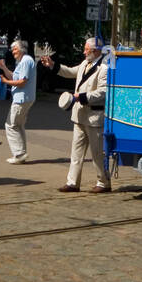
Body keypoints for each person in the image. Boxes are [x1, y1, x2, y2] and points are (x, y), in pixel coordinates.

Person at [40, 38, 110, 192]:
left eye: (86, 50)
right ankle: (72, 182)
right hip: (79, 115)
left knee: (97, 152)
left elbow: (103, 92)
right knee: (76, 152)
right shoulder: (85, 63)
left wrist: (81, 97)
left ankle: (103, 182)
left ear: (96, 51)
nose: (84, 52)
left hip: (94, 116)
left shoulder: (104, 68)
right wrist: (53, 65)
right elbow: (71, 72)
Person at [0, 38, 37, 163]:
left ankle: (19, 154)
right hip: (24, 98)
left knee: (11, 125)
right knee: (18, 125)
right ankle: (21, 154)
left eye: (15, 49)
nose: (12, 51)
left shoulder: (25, 61)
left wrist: (5, 82)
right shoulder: (22, 61)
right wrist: (3, 68)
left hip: (22, 98)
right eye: (12, 49)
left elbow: (21, 82)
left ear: (21, 50)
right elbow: (15, 76)